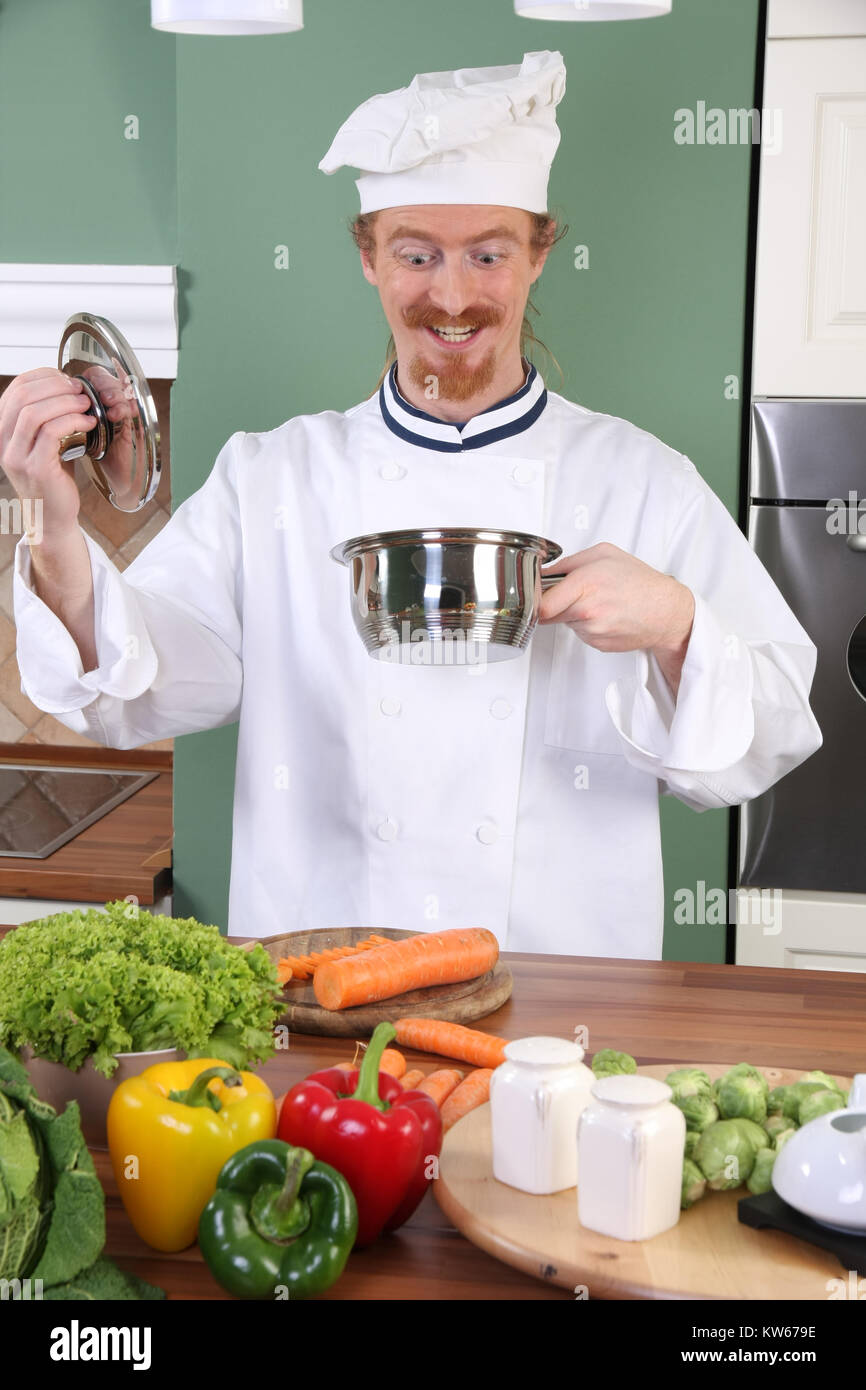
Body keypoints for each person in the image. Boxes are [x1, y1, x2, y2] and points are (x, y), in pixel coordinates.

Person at [2, 50, 821, 955]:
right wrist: (53, 522)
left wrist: (677, 624)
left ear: (542, 252)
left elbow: (771, 735)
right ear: (367, 257)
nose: (454, 295)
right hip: (324, 1002)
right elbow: (130, 691)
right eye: (417, 254)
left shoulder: (642, 480)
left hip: (565, 1005)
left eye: (489, 254)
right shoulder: (271, 477)